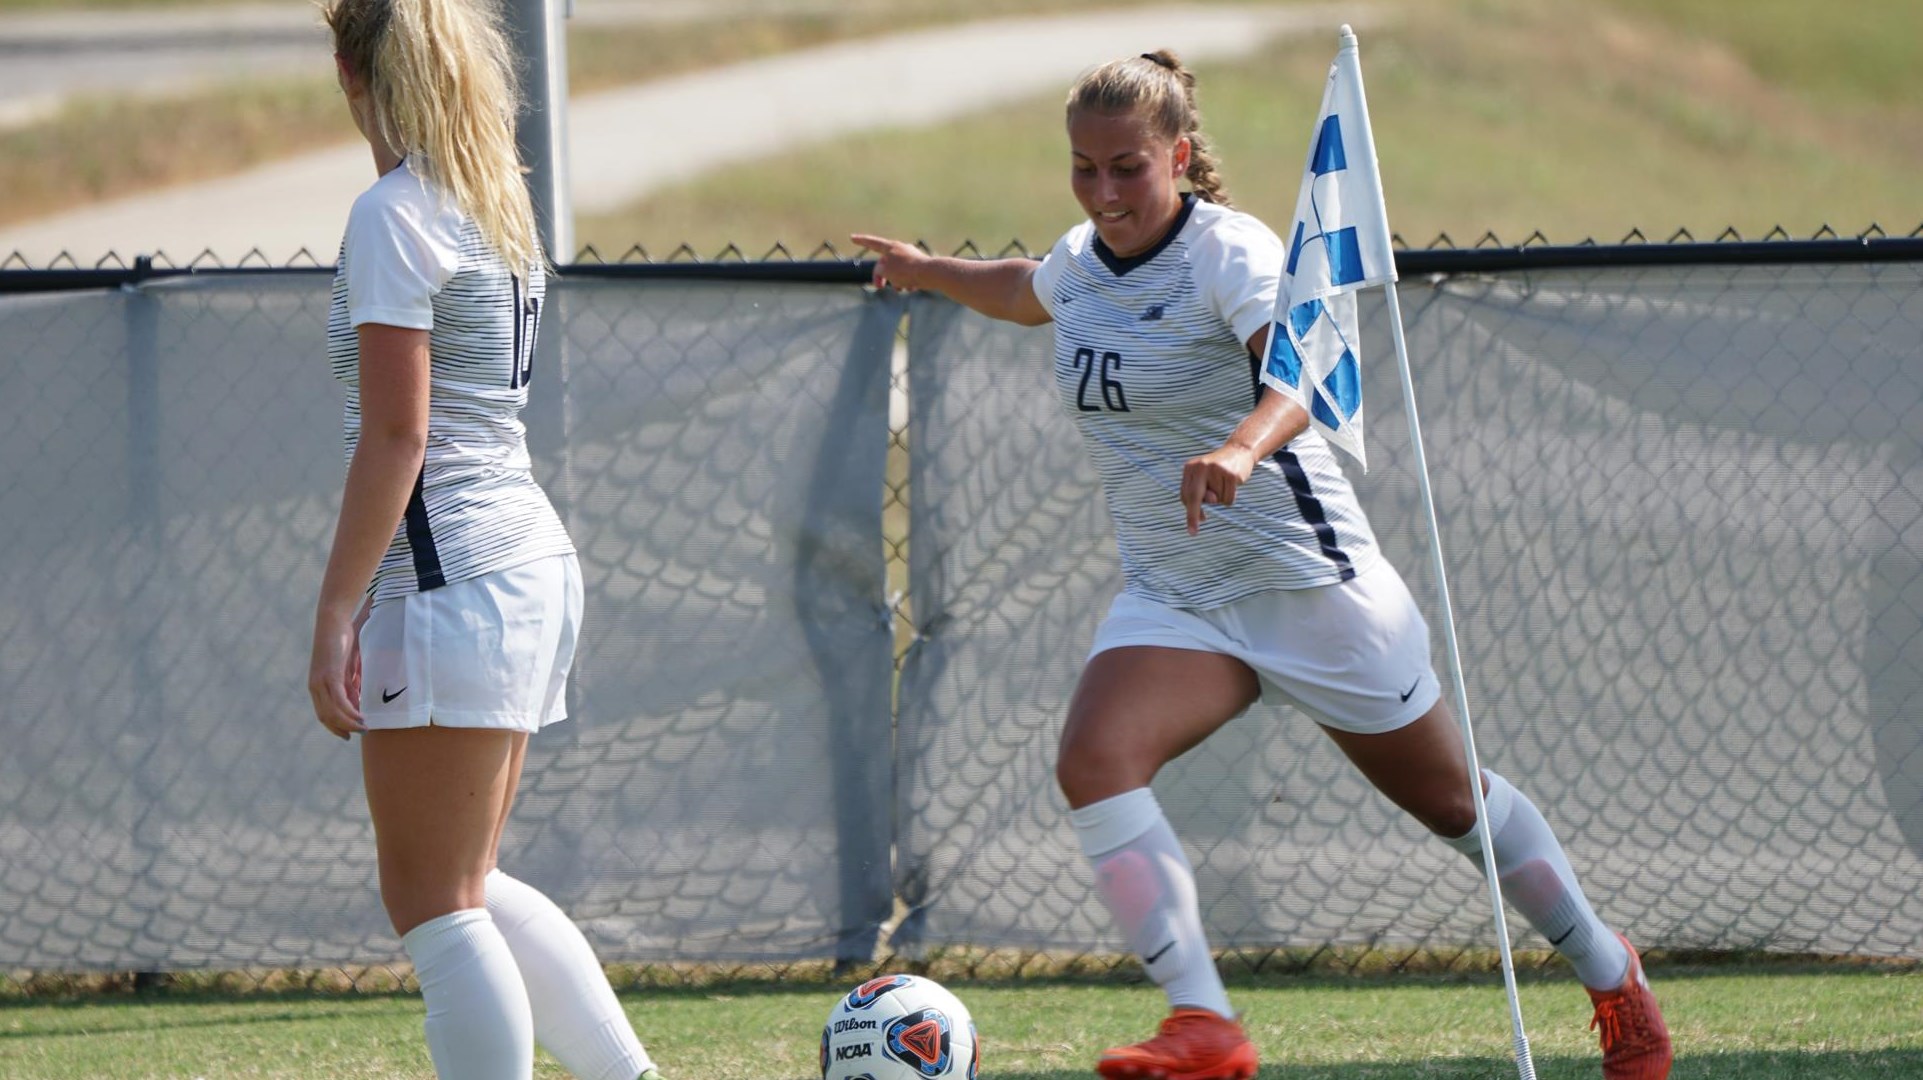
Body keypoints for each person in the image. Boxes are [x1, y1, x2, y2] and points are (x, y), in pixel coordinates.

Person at [853, 49, 1672, 1080]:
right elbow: (1030, 288)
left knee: (1455, 808)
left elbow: (1302, 366)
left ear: (1179, 157)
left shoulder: (1226, 252)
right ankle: (1205, 1026)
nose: (1104, 192)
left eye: (1128, 168)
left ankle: (1611, 974)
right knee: (1094, 760)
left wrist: (1242, 446)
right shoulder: (1079, 259)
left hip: (1309, 589)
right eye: (1083, 168)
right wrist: (931, 269)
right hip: (1181, 592)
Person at [306, 2, 662, 1078]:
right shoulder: (487, 203)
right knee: (470, 885)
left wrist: (334, 611)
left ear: (348, 67)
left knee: (435, 905)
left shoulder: (397, 211)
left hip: (458, 576)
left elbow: (400, 434)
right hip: (517, 566)